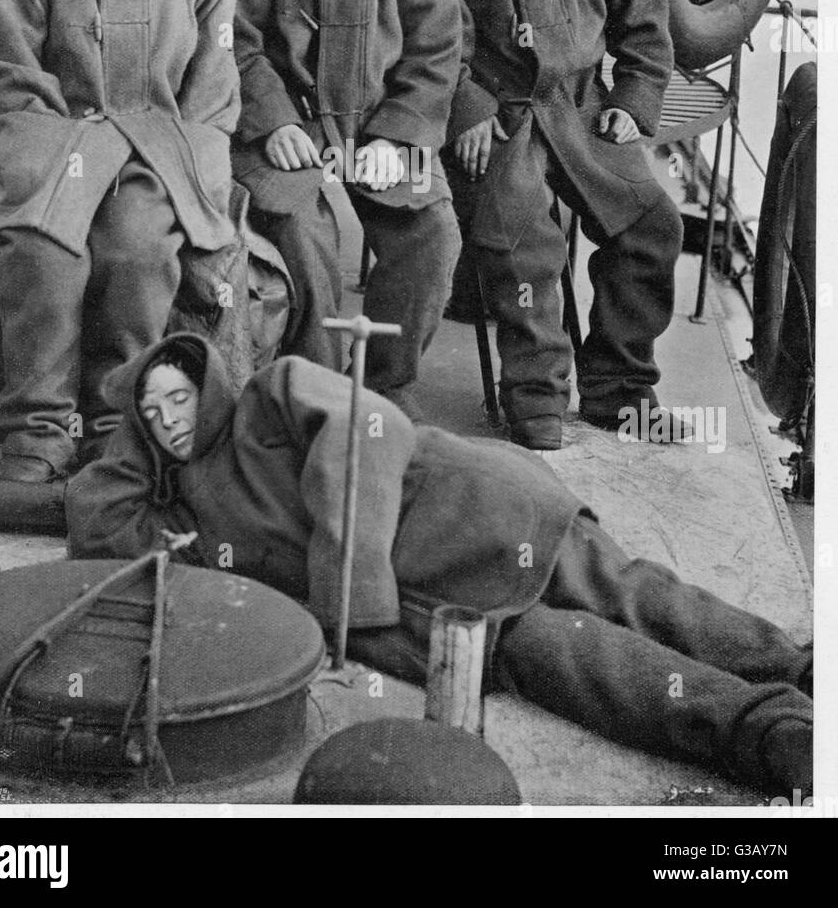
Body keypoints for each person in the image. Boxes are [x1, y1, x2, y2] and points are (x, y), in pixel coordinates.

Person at [65, 332, 813, 802]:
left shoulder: (271, 391)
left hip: (471, 513)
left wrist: (347, 591)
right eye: (150, 413)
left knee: (632, 595)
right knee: (578, 662)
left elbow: (368, 426)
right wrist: (132, 440)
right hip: (434, 618)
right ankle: (777, 735)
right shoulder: (184, 508)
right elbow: (98, 524)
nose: (169, 419)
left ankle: (798, 669)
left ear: (209, 381)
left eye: (178, 397)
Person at [0, 0, 240, 483]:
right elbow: (10, 55)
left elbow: (214, 81)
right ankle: (37, 427)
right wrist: (37, 141)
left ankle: (118, 424)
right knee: (43, 256)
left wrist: (196, 153)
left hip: (159, 140)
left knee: (139, 254)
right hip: (61, 131)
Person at [439, 0, 683, 451]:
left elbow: (645, 30)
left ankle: (617, 390)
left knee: (651, 225)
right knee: (524, 247)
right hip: (500, 117)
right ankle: (536, 397)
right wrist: (466, 109)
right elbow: (436, 34)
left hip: (580, 112)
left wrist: (631, 105)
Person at [227, 0, 461, 413]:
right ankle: (318, 395)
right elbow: (232, 40)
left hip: (380, 129)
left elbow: (436, 48)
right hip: (290, 132)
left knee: (433, 235)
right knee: (304, 237)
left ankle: (385, 386)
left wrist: (398, 134)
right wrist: (273, 123)